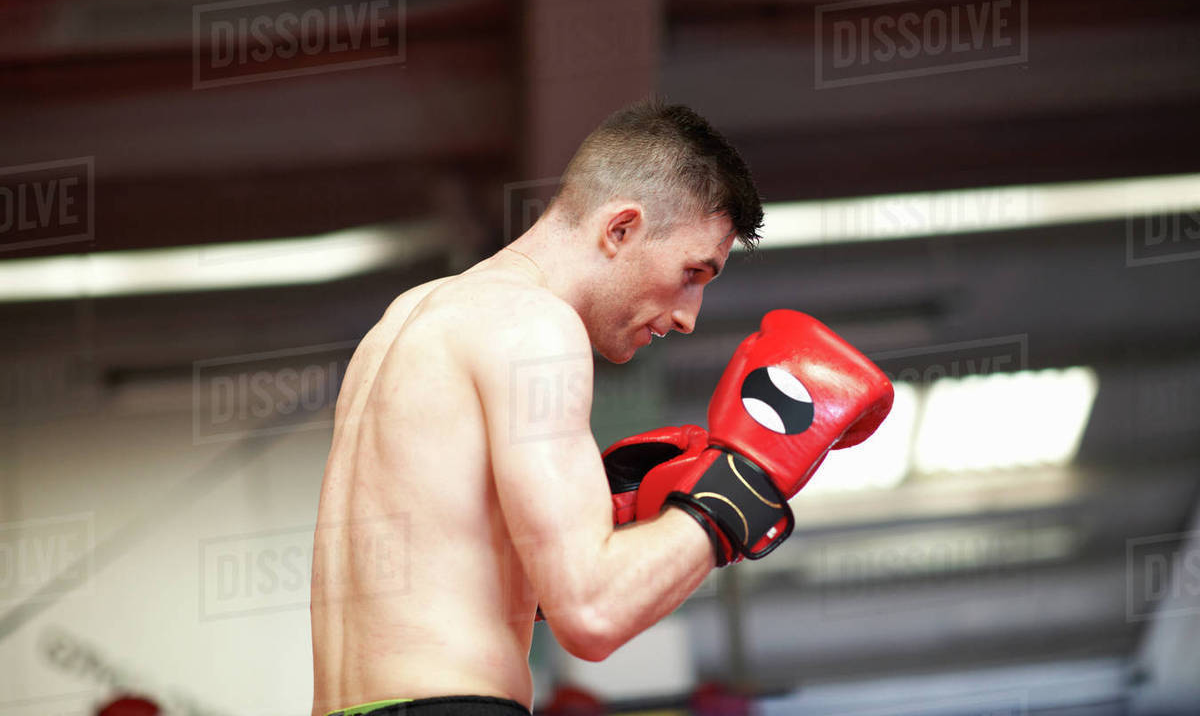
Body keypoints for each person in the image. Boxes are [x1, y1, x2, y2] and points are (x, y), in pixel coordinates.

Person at [311, 97, 876, 716]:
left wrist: (624, 528)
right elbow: (592, 613)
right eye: (693, 273)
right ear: (621, 228)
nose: (689, 317)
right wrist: (741, 486)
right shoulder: (534, 326)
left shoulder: (406, 320)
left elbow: (446, 576)